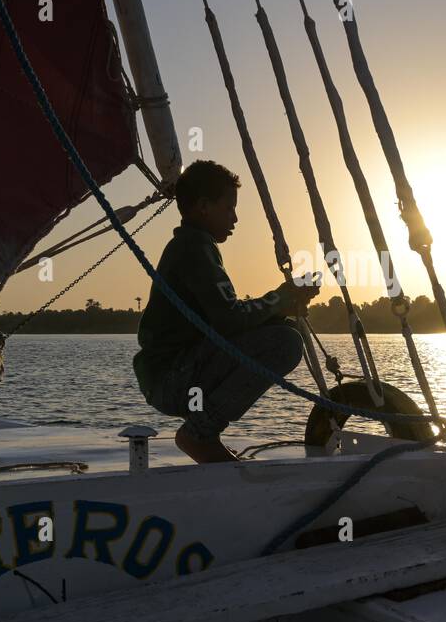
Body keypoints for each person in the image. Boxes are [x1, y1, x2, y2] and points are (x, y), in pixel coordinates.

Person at [133, 160, 319, 463]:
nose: (235, 217)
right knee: (286, 342)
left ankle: (202, 431)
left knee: (286, 330)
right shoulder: (194, 248)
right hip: (173, 380)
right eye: (229, 207)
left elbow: (225, 320)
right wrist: (280, 298)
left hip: (172, 377)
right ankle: (199, 434)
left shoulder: (194, 245)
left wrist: (280, 307)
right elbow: (230, 319)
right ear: (204, 207)